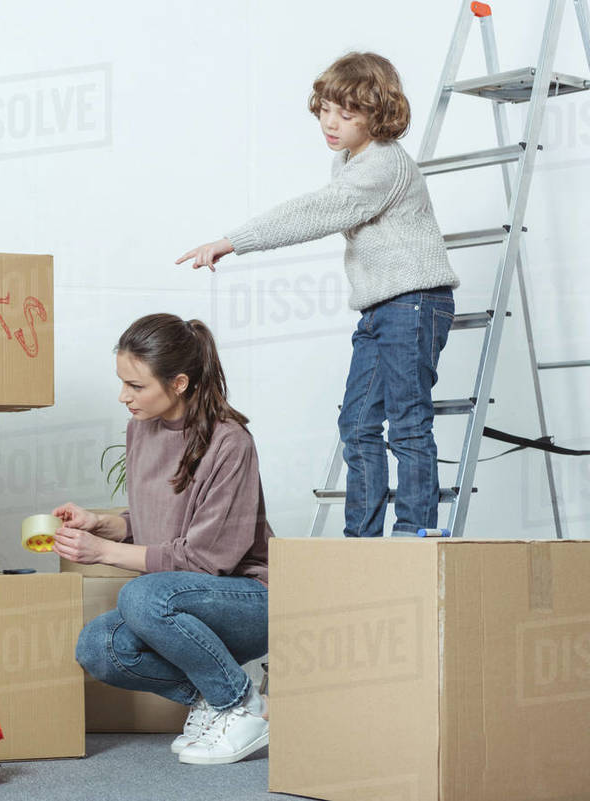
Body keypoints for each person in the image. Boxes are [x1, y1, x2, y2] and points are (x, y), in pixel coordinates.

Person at [177, 52, 459, 538]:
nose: (331, 122)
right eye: (326, 108)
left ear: (378, 115)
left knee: (408, 423)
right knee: (357, 424)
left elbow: (313, 213)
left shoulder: (383, 165)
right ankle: (361, 539)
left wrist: (232, 241)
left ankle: (415, 533)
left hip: (414, 303)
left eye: (346, 114)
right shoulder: (348, 160)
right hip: (380, 307)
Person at [54, 314, 273, 765]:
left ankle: (240, 705)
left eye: (135, 386)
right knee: (98, 646)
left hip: (251, 599)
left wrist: (104, 553)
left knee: (142, 597)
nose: (123, 397)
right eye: (121, 382)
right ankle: (214, 696)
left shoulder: (230, 442)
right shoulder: (141, 428)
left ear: (179, 383)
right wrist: (100, 523)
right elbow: (153, 523)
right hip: (184, 596)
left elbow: (206, 561)